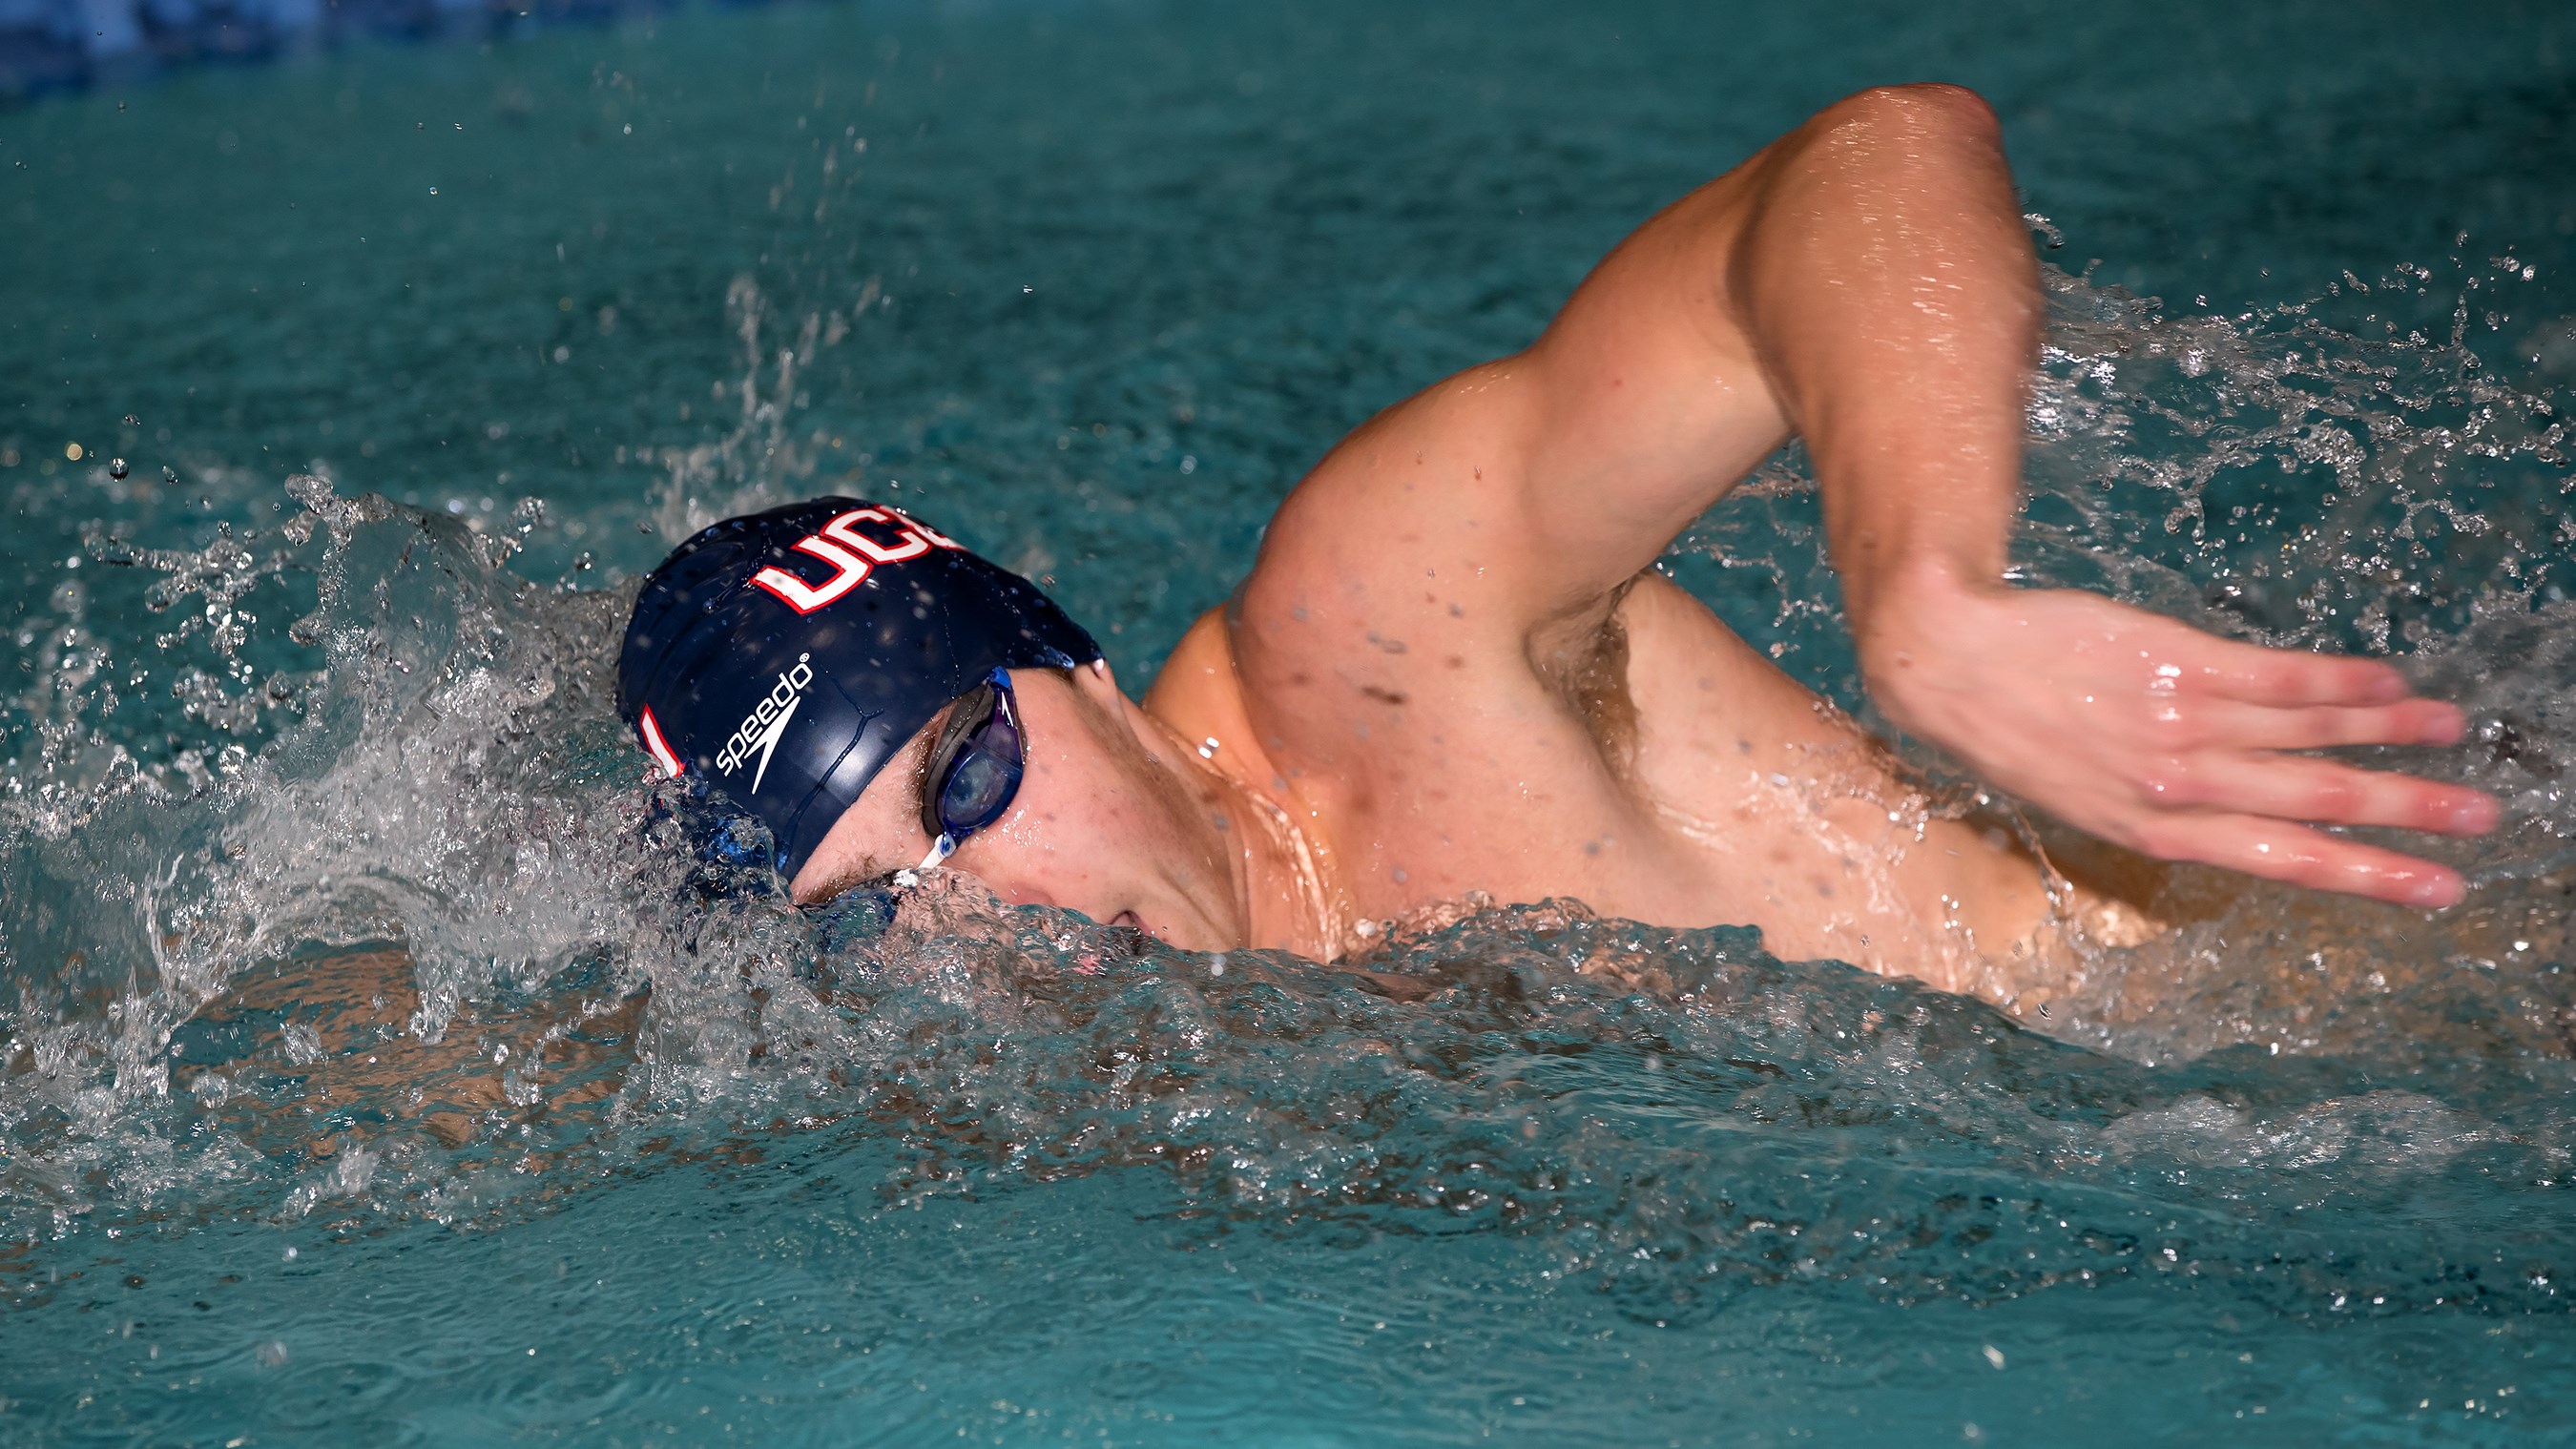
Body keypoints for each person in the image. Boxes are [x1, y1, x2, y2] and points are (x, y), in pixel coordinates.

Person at [615, 84, 2497, 1002]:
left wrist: (1928, 594)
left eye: (971, 775)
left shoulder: (1371, 640)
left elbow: (1876, 163)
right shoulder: (1086, 1062)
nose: (985, 919)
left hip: (2416, 977)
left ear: (1073, 662)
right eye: (870, 913)